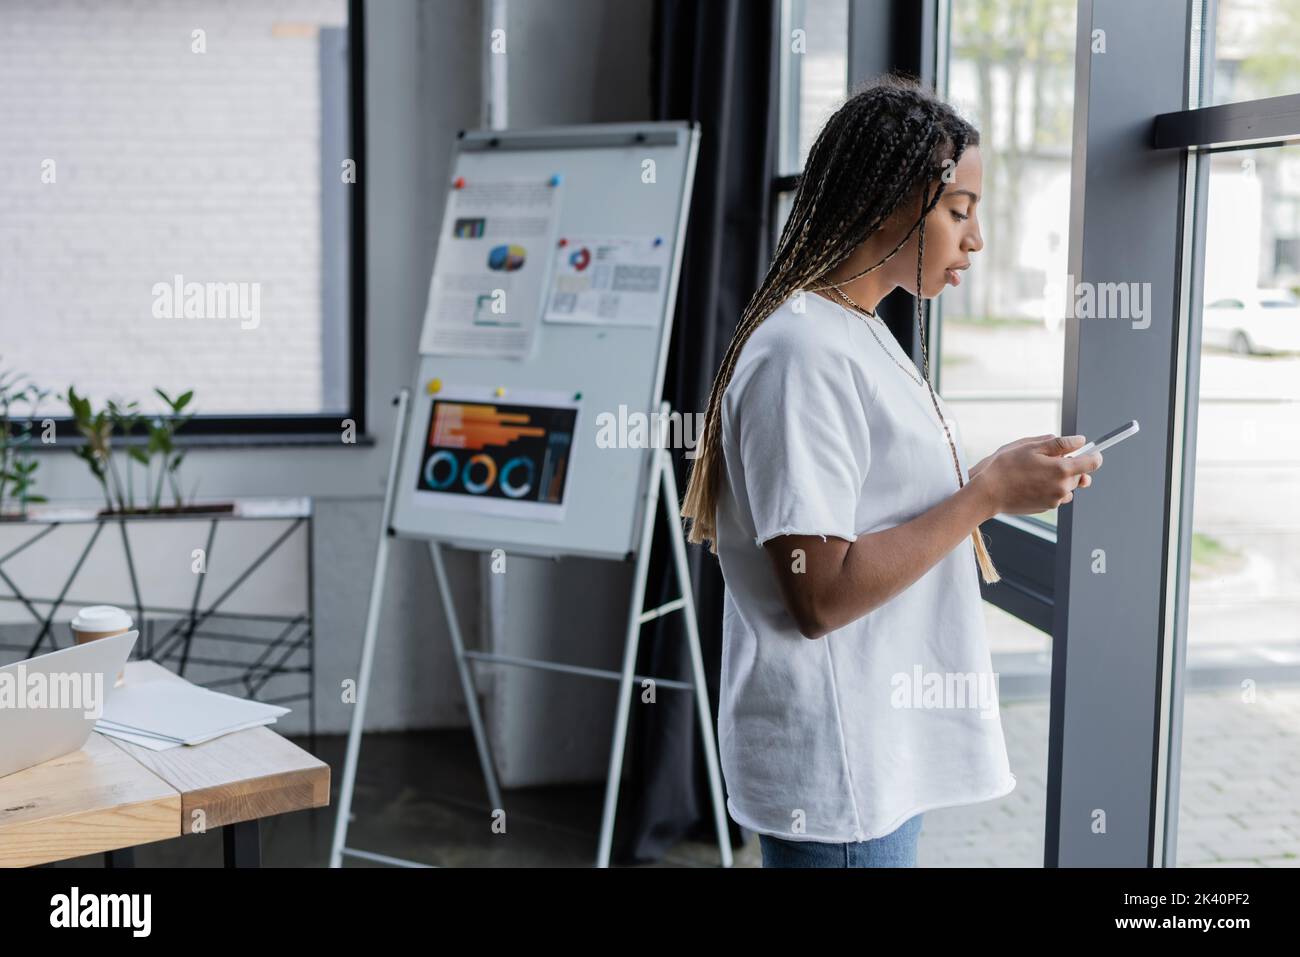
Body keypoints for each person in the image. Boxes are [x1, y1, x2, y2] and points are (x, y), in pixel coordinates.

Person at [679, 74, 1103, 868]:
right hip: (841, 770)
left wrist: (995, 478)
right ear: (896, 203)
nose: (975, 240)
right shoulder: (803, 353)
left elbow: (878, 512)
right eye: (959, 212)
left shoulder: (856, 332)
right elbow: (821, 592)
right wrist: (986, 494)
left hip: (872, 754)